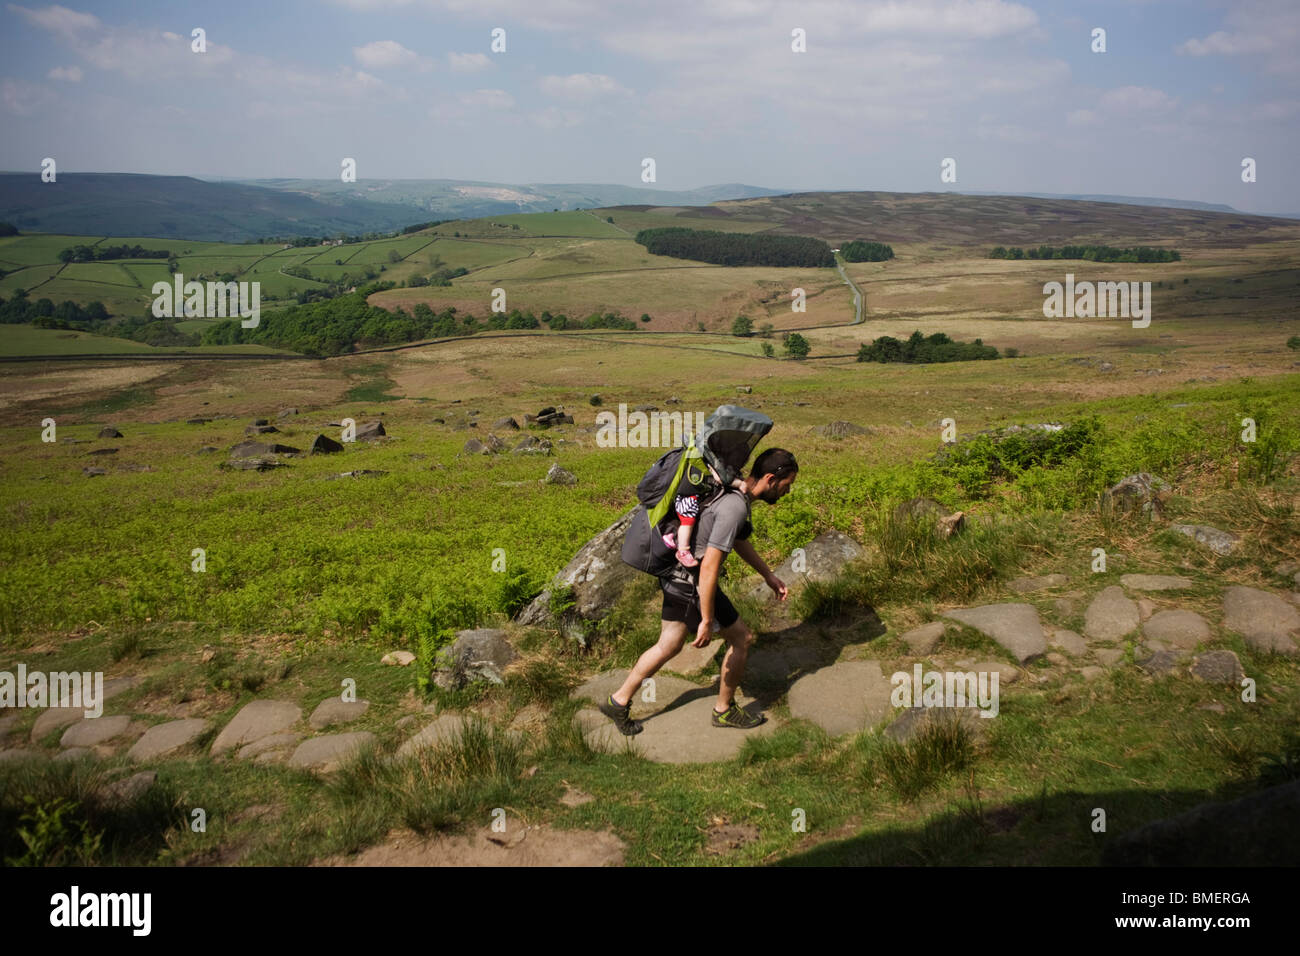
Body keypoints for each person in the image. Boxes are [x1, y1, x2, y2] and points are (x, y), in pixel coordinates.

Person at [600, 448, 799, 734]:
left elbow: (737, 539)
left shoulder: (735, 496)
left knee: (669, 644)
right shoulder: (735, 506)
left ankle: (618, 701)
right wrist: (706, 619)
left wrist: (767, 575)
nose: (787, 492)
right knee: (742, 638)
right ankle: (724, 711)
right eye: (787, 484)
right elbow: (709, 568)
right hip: (690, 582)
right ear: (770, 479)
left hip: (675, 574)